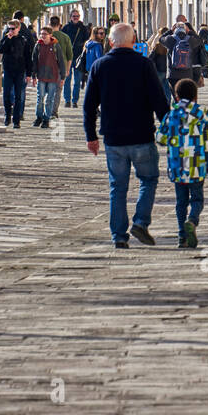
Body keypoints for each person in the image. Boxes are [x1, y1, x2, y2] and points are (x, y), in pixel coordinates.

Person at [83, 22, 171, 249]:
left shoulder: (100, 66)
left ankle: (119, 235)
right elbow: (159, 101)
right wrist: (169, 128)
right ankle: (140, 221)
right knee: (149, 180)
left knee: (118, 187)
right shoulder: (144, 65)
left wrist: (90, 136)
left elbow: (89, 105)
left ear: (110, 42)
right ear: (133, 42)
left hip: (114, 137)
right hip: (142, 134)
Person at [156, 77, 208, 248]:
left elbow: (160, 139)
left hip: (177, 166)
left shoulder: (171, 114)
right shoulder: (201, 114)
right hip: (197, 165)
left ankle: (181, 236)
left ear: (176, 97)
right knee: (197, 199)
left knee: (180, 202)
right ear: (195, 96)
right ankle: (192, 220)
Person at [0, 17, 32, 129]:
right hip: (8, 70)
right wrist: (7, 39)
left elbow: (28, 57)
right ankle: (7, 115)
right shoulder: (5, 38)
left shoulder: (23, 40)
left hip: (19, 70)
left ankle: (16, 120)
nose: (11, 31)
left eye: (13, 28)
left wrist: (29, 74)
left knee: (18, 96)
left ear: (18, 28)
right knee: (6, 94)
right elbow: (1, 50)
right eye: (9, 28)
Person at [31, 26, 66, 129]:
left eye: (45, 34)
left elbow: (61, 62)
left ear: (50, 35)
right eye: (41, 34)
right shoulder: (38, 45)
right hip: (41, 76)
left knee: (49, 99)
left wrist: (63, 76)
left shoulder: (55, 46)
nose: (43, 36)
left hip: (53, 76)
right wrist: (33, 75)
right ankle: (39, 117)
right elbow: (34, 61)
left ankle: (46, 119)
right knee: (40, 97)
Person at [163, 17, 205, 91]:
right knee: (186, 96)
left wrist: (170, 31)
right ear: (185, 30)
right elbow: (199, 40)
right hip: (187, 73)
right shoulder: (190, 40)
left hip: (173, 74)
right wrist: (190, 31)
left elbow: (161, 38)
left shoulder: (170, 39)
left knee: (176, 96)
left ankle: (177, 102)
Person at [61, 10, 89, 108]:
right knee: (67, 80)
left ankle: (74, 101)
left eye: (77, 16)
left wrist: (83, 48)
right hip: (68, 57)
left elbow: (87, 41)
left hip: (79, 58)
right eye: (74, 16)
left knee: (77, 81)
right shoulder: (65, 28)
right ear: (70, 17)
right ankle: (67, 100)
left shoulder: (83, 28)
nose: (75, 17)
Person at [12, 10, 36, 120]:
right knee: (21, 89)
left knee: (13, 89)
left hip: (11, 65)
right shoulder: (27, 32)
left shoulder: (8, 31)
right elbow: (32, 50)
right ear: (22, 19)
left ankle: (13, 110)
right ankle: (19, 112)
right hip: (23, 64)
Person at [49, 17, 74, 117]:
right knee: (58, 90)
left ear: (49, 24)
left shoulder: (46, 36)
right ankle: (54, 111)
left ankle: (48, 109)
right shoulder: (65, 37)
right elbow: (70, 56)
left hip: (48, 66)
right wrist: (67, 69)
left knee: (48, 89)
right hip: (61, 67)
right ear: (60, 25)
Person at [148, 29, 171, 101]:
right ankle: (167, 105)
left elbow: (150, 58)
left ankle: (159, 104)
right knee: (167, 91)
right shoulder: (171, 45)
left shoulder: (158, 46)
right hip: (168, 71)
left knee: (158, 90)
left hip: (159, 71)